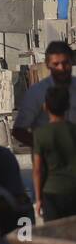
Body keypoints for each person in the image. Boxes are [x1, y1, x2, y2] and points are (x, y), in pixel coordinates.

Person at [13, 41, 76, 147]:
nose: (61, 68)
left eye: (65, 63)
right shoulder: (37, 93)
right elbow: (19, 131)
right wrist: (44, 147)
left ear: (72, 62)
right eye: (56, 64)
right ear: (47, 64)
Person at [31, 85, 76, 220]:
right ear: (67, 106)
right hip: (74, 190)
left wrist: (38, 199)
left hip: (51, 192)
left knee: (54, 231)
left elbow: (37, 170)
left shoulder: (40, 134)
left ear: (45, 107)